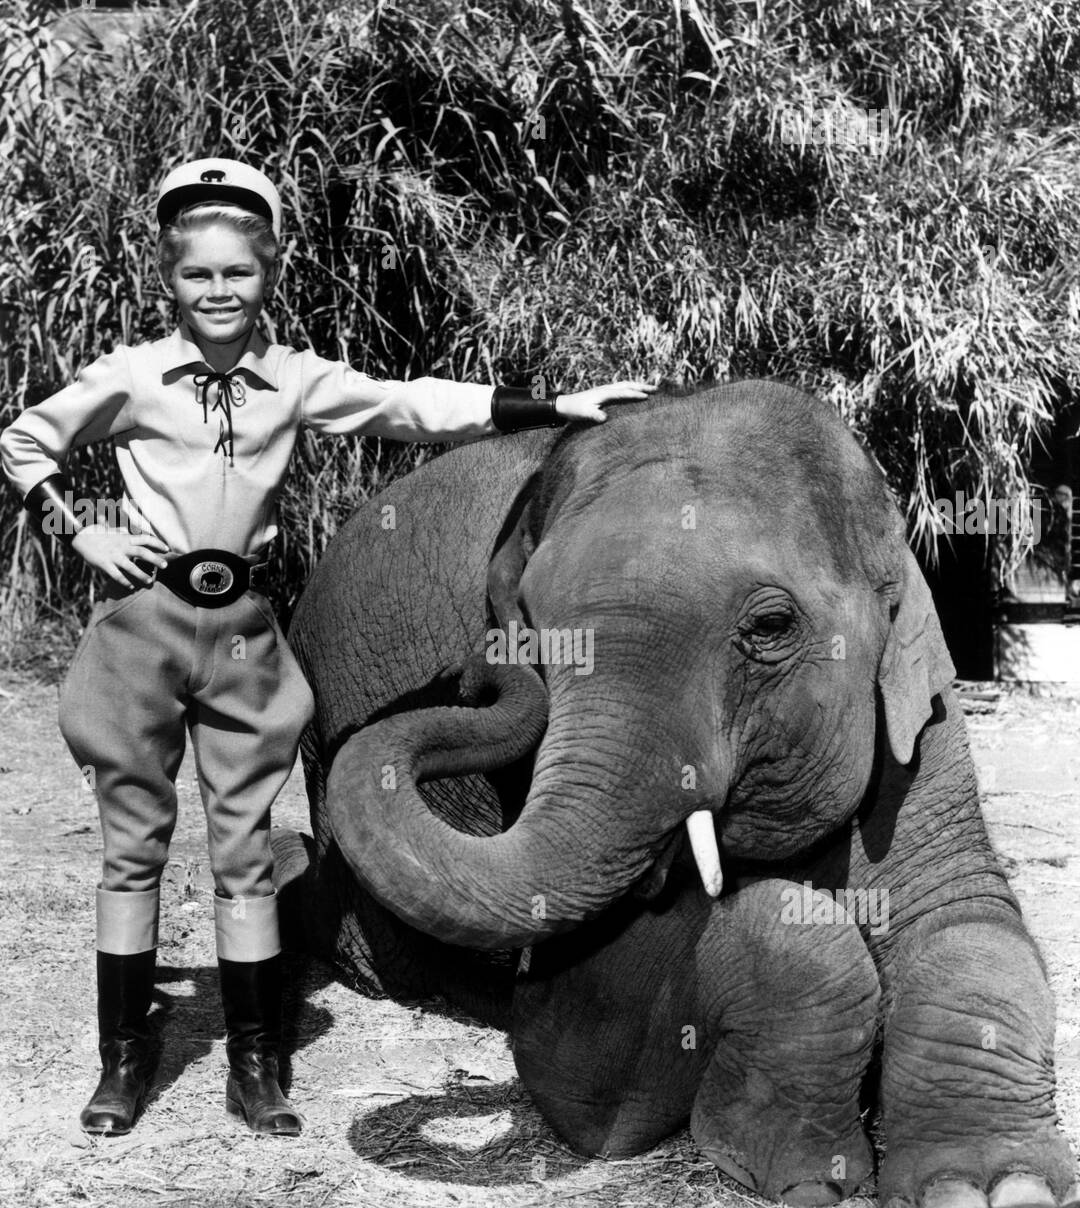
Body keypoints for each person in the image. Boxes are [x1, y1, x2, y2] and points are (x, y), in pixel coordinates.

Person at [0, 157, 654, 1139]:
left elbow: (411, 406)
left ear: (266, 273)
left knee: (240, 853)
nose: (217, 293)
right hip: (139, 630)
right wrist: (80, 529)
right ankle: (124, 1061)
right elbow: (22, 441)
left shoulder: (292, 380)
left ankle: (260, 1064)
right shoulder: (130, 379)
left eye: (237, 274)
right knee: (131, 855)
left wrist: (554, 407)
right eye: (197, 276)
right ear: (170, 280)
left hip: (241, 639)